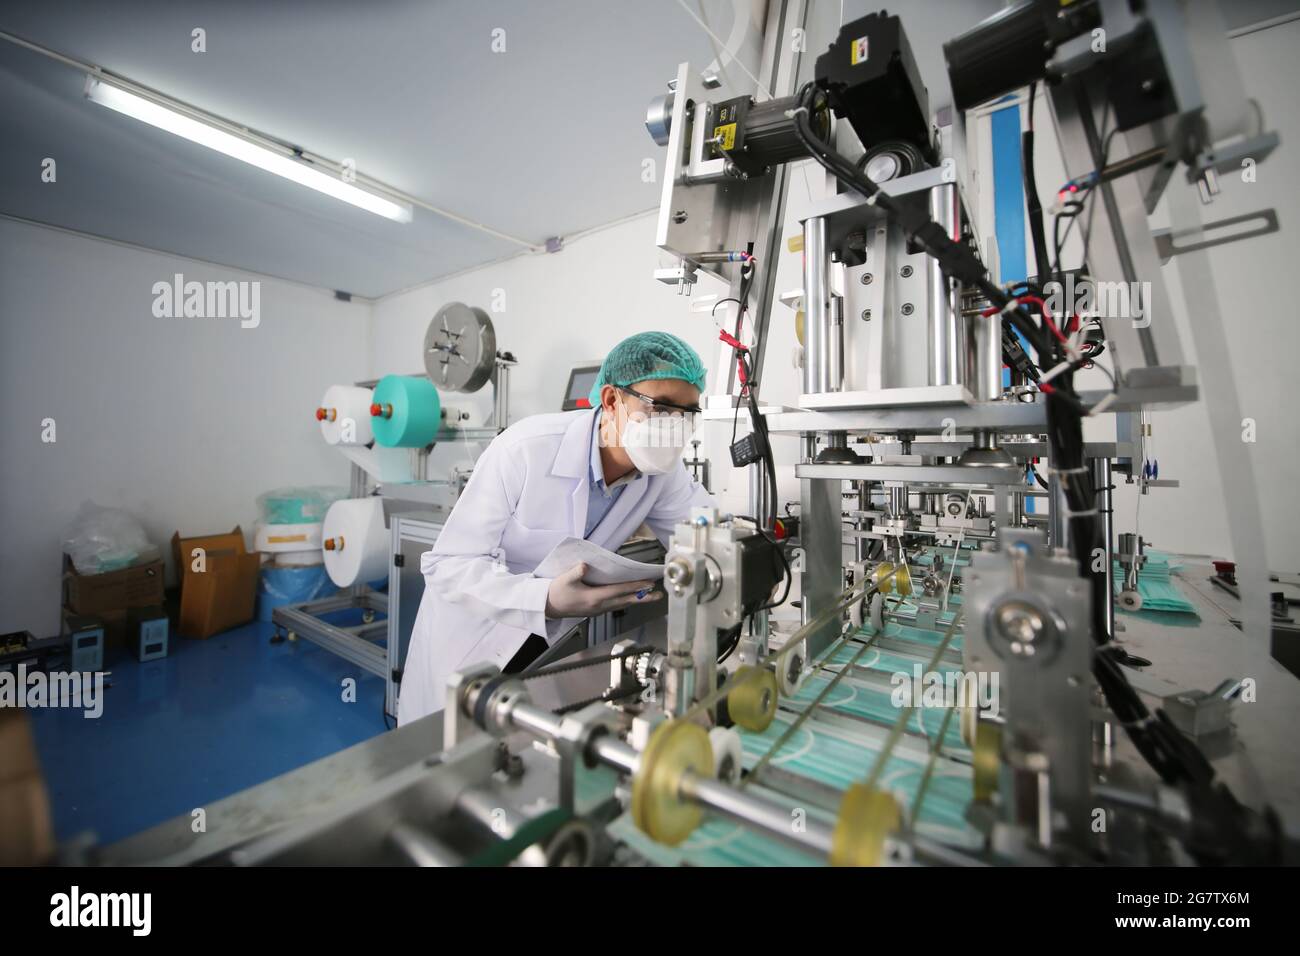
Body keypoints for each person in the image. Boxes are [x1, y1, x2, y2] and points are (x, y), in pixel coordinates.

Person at [397, 331, 714, 724]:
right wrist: (543, 599)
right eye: (662, 407)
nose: (676, 425)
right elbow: (447, 565)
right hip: (474, 638)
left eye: (688, 413)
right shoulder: (525, 449)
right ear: (612, 400)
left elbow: (706, 536)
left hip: (548, 646)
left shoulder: (661, 473)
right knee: (448, 755)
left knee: (518, 751)